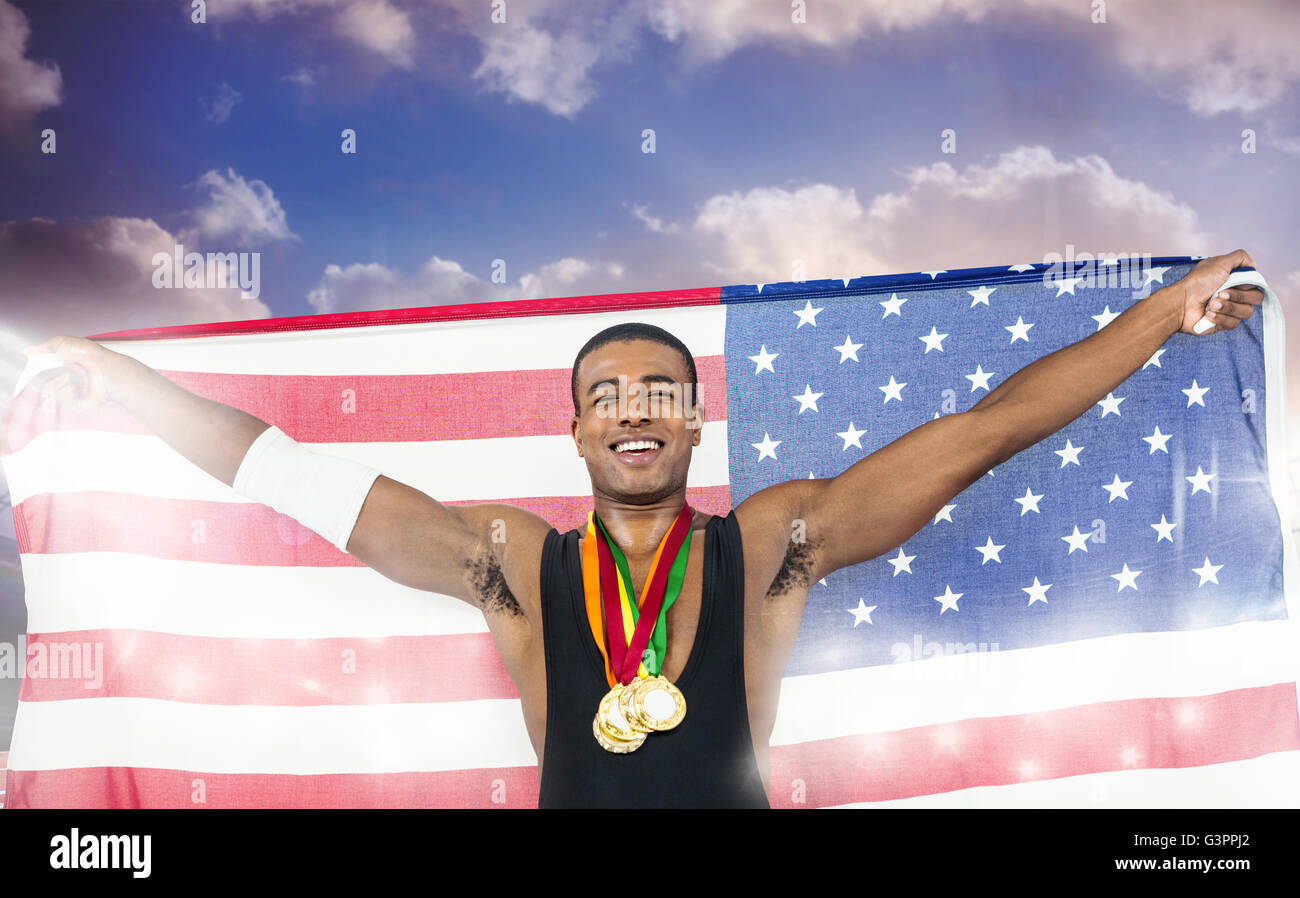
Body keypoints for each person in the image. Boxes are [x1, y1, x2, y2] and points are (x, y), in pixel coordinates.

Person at [22, 250, 1264, 808]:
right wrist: (118, 378)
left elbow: (984, 429)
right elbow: (297, 480)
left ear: (691, 428)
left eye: (659, 393)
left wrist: (1159, 315)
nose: (634, 410)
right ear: (574, 434)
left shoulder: (776, 540)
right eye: (605, 395)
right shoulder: (507, 562)